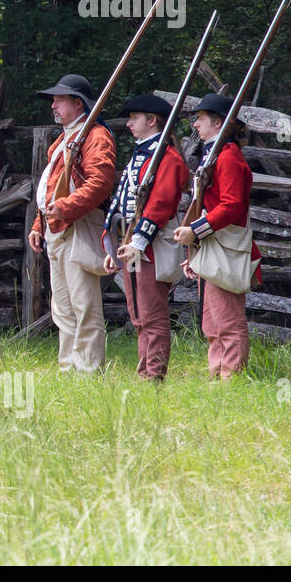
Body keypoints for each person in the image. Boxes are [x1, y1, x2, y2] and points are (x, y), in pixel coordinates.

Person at [28, 74, 117, 374]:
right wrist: (39, 226)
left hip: (77, 225)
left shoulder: (95, 136)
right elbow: (52, 187)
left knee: (84, 305)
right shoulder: (65, 139)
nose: (53, 104)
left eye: (59, 99)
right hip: (58, 227)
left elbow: (100, 184)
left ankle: (89, 370)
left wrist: (64, 209)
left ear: (77, 104)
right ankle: (69, 368)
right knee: (62, 307)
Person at [171, 93, 262, 379]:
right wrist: (194, 247)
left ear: (218, 122)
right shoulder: (216, 155)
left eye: (200, 119)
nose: (195, 124)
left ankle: (231, 377)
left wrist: (195, 231)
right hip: (213, 243)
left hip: (226, 244)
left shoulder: (229, 158)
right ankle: (217, 373)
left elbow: (232, 206)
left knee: (227, 319)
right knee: (212, 320)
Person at [102, 95, 190, 381]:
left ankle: (153, 375)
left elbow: (160, 205)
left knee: (151, 313)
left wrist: (138, 241)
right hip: (131, 242)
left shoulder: (167, 158)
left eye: (134, 117)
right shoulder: (142, 154)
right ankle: (146, 372)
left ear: (152, 121)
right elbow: (121, 200)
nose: (128, 123)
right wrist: (113, 245)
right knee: (138, 313)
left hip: (149, 244)